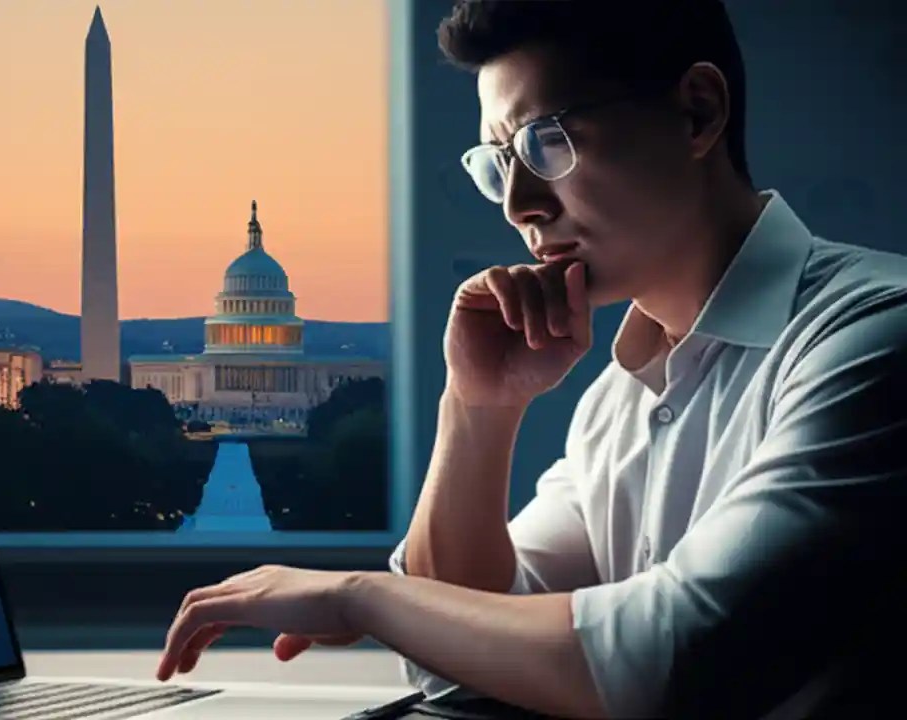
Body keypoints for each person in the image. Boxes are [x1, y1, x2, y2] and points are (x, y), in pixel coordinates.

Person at [155, 1, 907, 717]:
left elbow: (666, 664)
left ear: (697, 112)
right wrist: (478, 408)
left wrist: (361, 596)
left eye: (548, 142)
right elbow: (462, 671)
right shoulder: (618, 401)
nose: (518, 204)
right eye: (498, 162)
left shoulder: (874, 337)